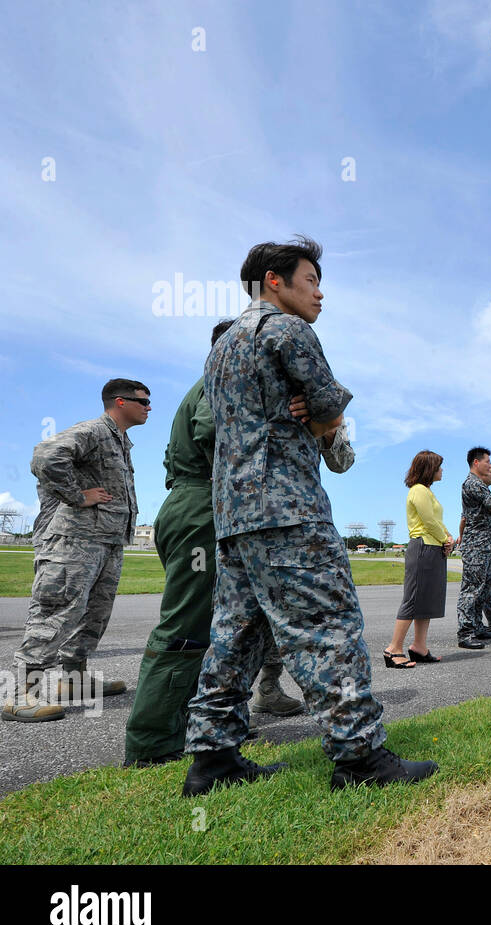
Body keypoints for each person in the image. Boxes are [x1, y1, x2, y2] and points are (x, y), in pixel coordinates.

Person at [181, 235, 436, 795]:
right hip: (287, 507)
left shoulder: (220, 348)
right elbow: (329, 406)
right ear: (276, 280)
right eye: (311, 280)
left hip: (235, 514)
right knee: (329, 628)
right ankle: (360, 757)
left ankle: (213, 757)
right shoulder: (287, 329)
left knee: (236, 633)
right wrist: (320, 421)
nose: (321, 294)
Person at [123, 320, 336, 767]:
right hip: (205, 505)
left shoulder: (209, 385)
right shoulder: (218, 384)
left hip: (205, 502)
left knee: (229, 627)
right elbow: (210, 432)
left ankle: (203, 727)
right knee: (188, 627)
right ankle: (154, 743)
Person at [2, 379, 149, 723]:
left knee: (94, 614)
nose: (148, 407)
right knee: (57, 611)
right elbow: (46, 455)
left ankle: (74, 679)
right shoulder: (94, 431)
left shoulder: (119, 440)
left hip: (106, 540)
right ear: (120, 402)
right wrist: (78, 496)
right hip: (72, 541)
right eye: (142, 400)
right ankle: (22, 693)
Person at [385, 451, 454, 667]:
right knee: (413, 599)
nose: (442, 470)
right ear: (429, 469)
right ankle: (393, 649)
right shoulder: (419, 491)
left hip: (434, 549)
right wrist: (446, 539)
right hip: (423, 548)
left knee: (426, 600)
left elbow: (436, 520)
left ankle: (419, 647)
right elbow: (428, 522)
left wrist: (448, 537)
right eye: (439, 466)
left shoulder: (427, 491)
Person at [455, 447, 491, 649]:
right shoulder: (473, 484)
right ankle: (465, 632)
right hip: (476, 547)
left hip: (486, 547)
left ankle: (477, 626)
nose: (490, 465)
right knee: (471, 589)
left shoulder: (481, 485)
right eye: (487, 462)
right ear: (476, 462)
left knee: (482, 589)